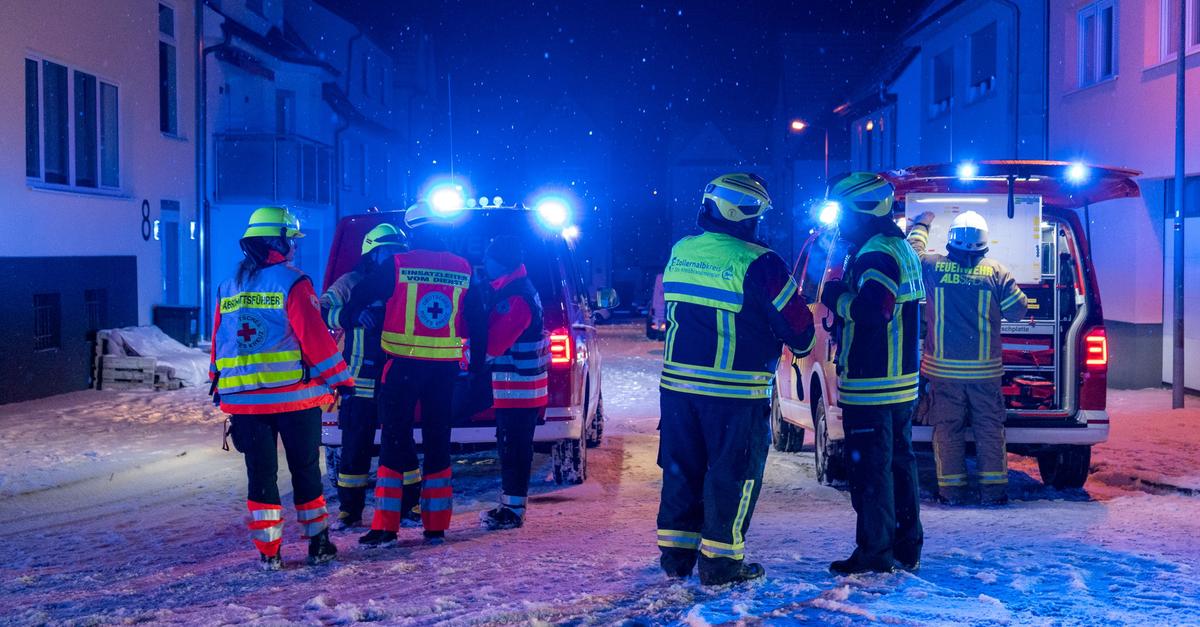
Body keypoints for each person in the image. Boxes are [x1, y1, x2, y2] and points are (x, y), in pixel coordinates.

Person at [656, 173, 816, 586]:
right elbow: (799, 331)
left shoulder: (682, 250)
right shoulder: (761, 263)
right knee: (733, 474)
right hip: (734, 392)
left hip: (677, 390)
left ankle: (676, 557)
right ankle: (722, 563)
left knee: (681, 470)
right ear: (747, 215)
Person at [210, 206, 352, 570]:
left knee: (260, 477)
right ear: (278, 241)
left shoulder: (229, 285)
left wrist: (218, 382)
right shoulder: (293, 282)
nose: (293, 247)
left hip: (243, 401)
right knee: (305, 470)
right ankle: (318, 544)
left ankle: (268, 552)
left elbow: (219, 342)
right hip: (294, 398)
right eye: (290, 239)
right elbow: (315, 338)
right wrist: (341, 380)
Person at [341, 201, 486, 547]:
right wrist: (478, 368)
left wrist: (351, 319)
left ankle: (386, 527)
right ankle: (436, 525)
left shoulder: (397, 264)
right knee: (438, 443)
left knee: (394, 440)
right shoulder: (464, 268)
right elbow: (478, 321)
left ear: (413, 231)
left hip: (402, 367)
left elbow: (358, 297)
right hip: (445, 372)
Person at [819, 172, 925, 575]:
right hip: (899, 384)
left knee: (871, 473)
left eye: (842, 213)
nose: (838, 223)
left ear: (862, 211)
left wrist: (837, 297)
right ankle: (905, 546)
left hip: (873, 383)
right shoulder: (899, 248)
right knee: (899, 464)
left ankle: (874, 553)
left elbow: (873, 311)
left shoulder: (875, 254)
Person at [907, 210, 1028, 505]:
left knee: (948, 431)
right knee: (989, 431)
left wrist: (922, 224)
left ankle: (951, 493)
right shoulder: (997, 272)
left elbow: (912, 253)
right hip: (985, 374)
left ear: (951, 243)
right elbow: (1018, 310)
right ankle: (994, 493)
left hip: (944, 374)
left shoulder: (934, 267)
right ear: (985, 243)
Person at [319, 223, 408, 529]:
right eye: (388, 251)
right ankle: (350, 510)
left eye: (399, 251)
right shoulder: (351, 282)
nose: (394, 257)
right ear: (371, 253)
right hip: (358, 377)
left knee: (400, 444)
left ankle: (407, 507)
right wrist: (351, 316)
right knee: (355, 447)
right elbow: (320, 310)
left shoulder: (404, 282)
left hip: (395, 376)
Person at [477, 235, 550, 531]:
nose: (484, 264)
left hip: (518, 391)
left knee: (514, 451)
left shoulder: (515, 297)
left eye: (489, 259)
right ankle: (510, 507)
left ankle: (513, 511)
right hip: (521, 390)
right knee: (513, 449)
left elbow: (494, 344)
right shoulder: (516, 289)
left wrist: (466, 354)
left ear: (502, 262)